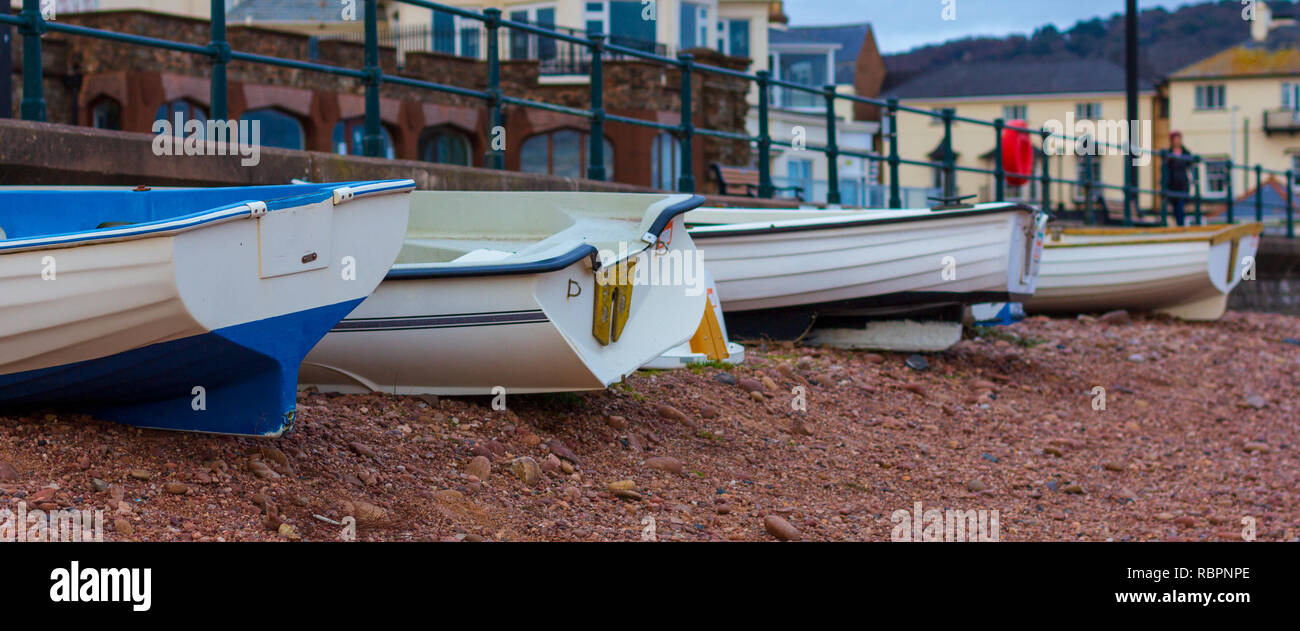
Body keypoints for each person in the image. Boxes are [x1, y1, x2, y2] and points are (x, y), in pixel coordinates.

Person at [1164, 131, 1195, 226]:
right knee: (1175, 207)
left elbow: (1191, 165)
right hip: (1172, 184)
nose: (1177, 141)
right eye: (1175, 139)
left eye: (1179, 139)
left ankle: (1180, 225)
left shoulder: (1186, 152)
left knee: (1180, 206)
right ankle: (1178, 225)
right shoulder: (1168, 153)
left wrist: (1194, 179)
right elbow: (1165, 168)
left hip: (1182, 184)